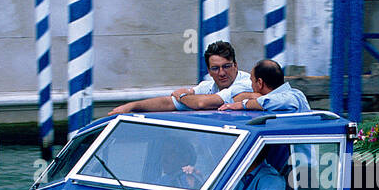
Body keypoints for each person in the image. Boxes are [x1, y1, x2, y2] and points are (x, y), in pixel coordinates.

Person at [109, 41, 252, 114]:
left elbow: (201, 104)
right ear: (209, 70)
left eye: (226, 66)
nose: (221, 73)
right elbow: (167, 103)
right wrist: (131, 106)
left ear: (235, 65)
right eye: (215, 68)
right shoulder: (207, 87)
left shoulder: (246, 83)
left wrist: (182, 95)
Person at [218, 59, 310, 113]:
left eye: (252, 81)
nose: (251, 86)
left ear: (260, 83)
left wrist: (242, 104)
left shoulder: (294, 96)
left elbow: (273, 101)